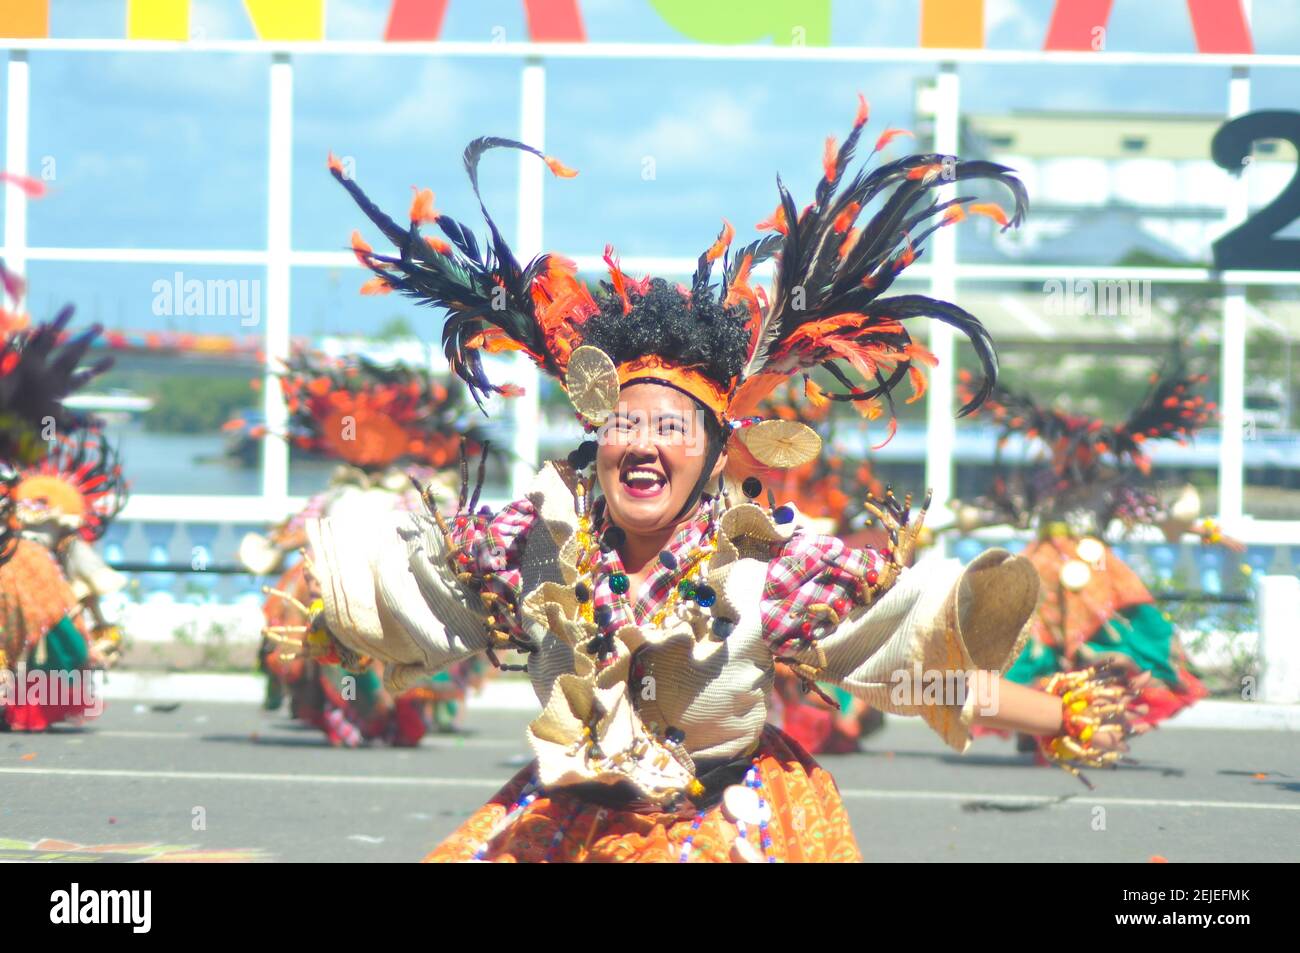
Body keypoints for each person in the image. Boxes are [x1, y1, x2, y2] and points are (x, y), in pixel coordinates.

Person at [288, 97, 1147, 862]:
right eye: (626, 422)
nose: (646, 445)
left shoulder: (772, 566)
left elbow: (913, 660)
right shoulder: (533, 543)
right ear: (596, 429)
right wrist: (327, 620)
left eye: (673, 428)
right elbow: (417, 604)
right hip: (569, 825)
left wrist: (1059, 716)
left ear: (716, 449)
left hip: (729, 825)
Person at [952, 364, 1221, 735]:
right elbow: (999, 509)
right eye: (1057, 444)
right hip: (1041, 566)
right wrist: (938, 526)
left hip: (1094, 569)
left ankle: (1100, 713)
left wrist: (1205, 530)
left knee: (1119, 632)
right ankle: (1034, 716)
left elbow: (1154, 512)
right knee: (1023, 637)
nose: (1063, 451)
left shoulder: (1110, 484)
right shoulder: (1039, 482)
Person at [238, 350, 490, 745]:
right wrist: (276, 543)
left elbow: (433, 524)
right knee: (305, 620)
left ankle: (393, 715)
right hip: (331, 582)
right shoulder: (338, 491)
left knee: (402, 646)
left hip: (387, 580)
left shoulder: (409, 488)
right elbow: (304, 526)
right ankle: (344, 715)